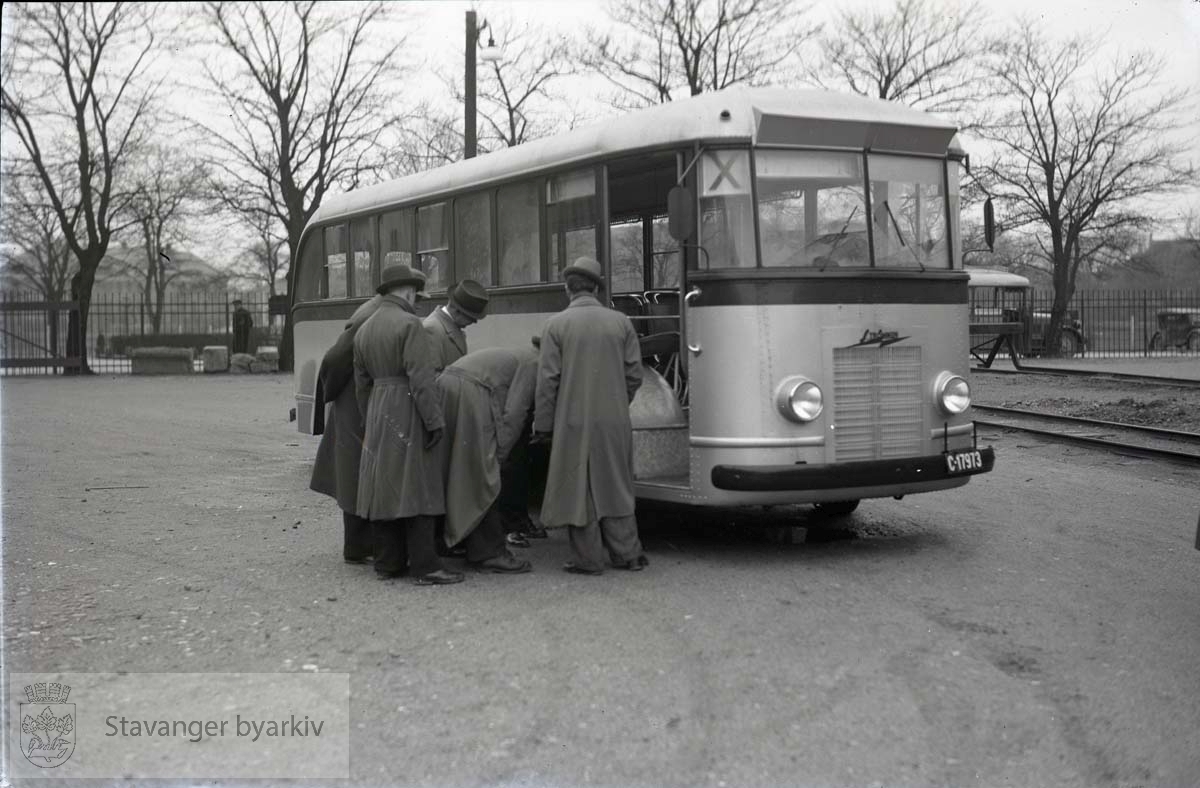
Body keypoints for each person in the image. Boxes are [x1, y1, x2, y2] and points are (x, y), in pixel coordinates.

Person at [534, 256, 648, 575]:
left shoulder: (555, 326)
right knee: (616, 483)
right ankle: (629, 554)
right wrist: (614, 402)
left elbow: (548, 382)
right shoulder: (621, 322)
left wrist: (543, 426)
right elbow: (635, 375)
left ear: (567, 289)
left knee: (577, 488)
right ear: (596, 289)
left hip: (572, 421)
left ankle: (589, 559)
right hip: (614, 420)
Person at [354, 264, 461, 585]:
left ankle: (388, 562)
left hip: (378, 408)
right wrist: (434, 421)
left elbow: (361, 385)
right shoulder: (410, 325)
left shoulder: (364, 329)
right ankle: (426, 566)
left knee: (384, 485)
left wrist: (369, 419)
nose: (416, 301)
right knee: (420, 485)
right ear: (407, 291)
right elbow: (421, 378)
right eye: (415, 294)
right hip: (408, 406)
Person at [436, 342, 541, 574]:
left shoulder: (522, 352)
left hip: (449, 385)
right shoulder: (535, 363)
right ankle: (489, 552)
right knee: (484, 473)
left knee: (458, 470)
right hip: (470, 394)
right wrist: (501, 454)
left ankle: (455, 539)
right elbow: (515, 414)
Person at [309, 293, 384, 564]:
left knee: (353, 471)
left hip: (354, 398)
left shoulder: (372, 310)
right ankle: (357, 545)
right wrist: (336, 394)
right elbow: (334, 359)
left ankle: (359, 544)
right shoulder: (371, 315)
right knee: (353, 471)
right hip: (354, 400)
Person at [423, 279, 489, 372]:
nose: (473, 322)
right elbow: (430, 377)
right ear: (457, 311)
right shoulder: (431, 330)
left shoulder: (450, 327)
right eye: (471, 318)